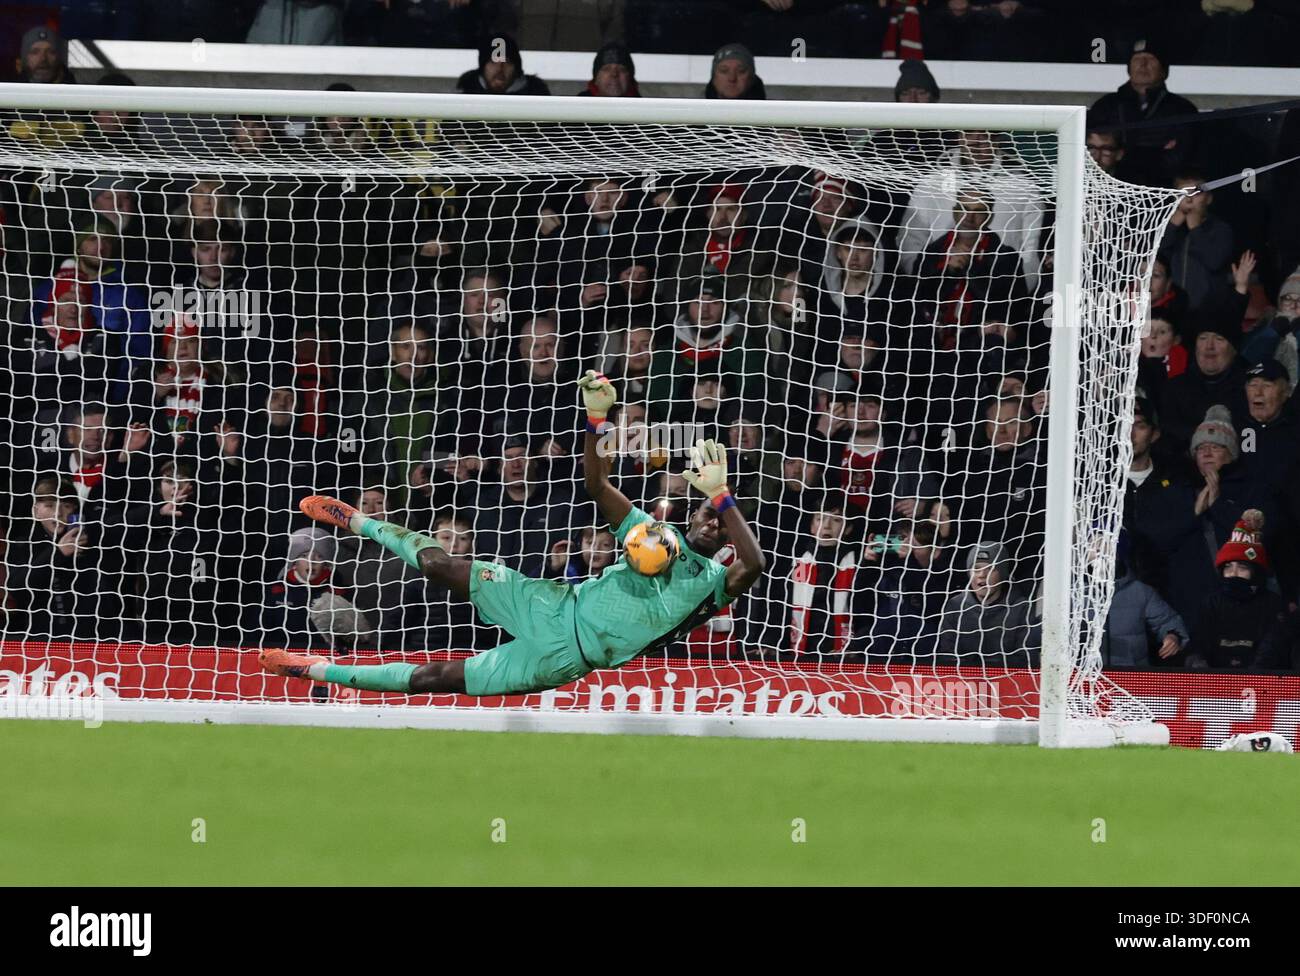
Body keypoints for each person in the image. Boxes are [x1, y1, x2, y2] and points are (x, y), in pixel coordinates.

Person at [261, 370, 766, 697]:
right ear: (690, 514)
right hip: (548, 602)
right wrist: (595, 419)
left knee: (440, 678)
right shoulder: (651, 531)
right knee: (439, 565)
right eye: (705, 511)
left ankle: (316, 669)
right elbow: (595, 483)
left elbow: (756, 564)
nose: (710, 521)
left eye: (719, 521)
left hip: (564, 657)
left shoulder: (711, 583)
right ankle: (357, 520)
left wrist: (723, 495)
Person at [1088, 39, 1198, 186]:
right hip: (1111, 189)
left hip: (1162, 193)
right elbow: (1093, 151)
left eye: (1150, 59)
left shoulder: (1182, 109)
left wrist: (1128, 153)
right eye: (1137, 59)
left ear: (1164, 70)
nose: (1143, 64)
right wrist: (1154, 152)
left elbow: (1181, 158)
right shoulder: (1106, 105)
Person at [456, 34, 550, 96]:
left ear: (516, 68)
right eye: (493, 62)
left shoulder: (536, 97)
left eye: (507, 62)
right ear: (483, 67)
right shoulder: (466, 96)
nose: (500, 68)